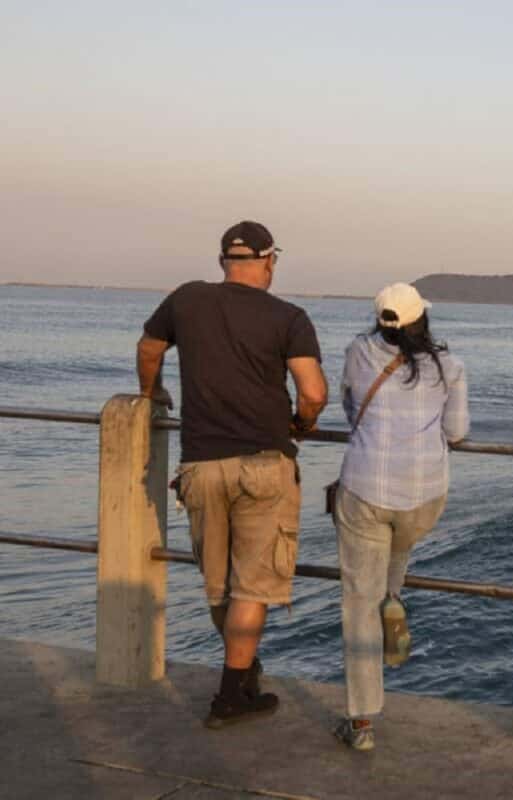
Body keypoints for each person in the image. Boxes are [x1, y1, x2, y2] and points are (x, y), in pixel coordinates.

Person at [137, 221, 327, 729]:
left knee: (220, 586)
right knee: (253, 587)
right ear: (269, 262)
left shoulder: (186, 300)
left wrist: (152, 395)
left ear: (224, 261)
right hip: (264, 464)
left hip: (200, 464)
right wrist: (302, 426)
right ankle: (229, 697)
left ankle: (241, 675)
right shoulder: (289, 317)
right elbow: (312, 392)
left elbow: (149, 348)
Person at [334, 282, 469, 751]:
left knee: (358, 602)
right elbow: (457, 431)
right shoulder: (448, 366)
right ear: (421, 320)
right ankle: (393, 594)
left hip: (366, 488)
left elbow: (352, 409)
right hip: (423, 497)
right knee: (400, 539)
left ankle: (362, 722)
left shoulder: (357, 352)